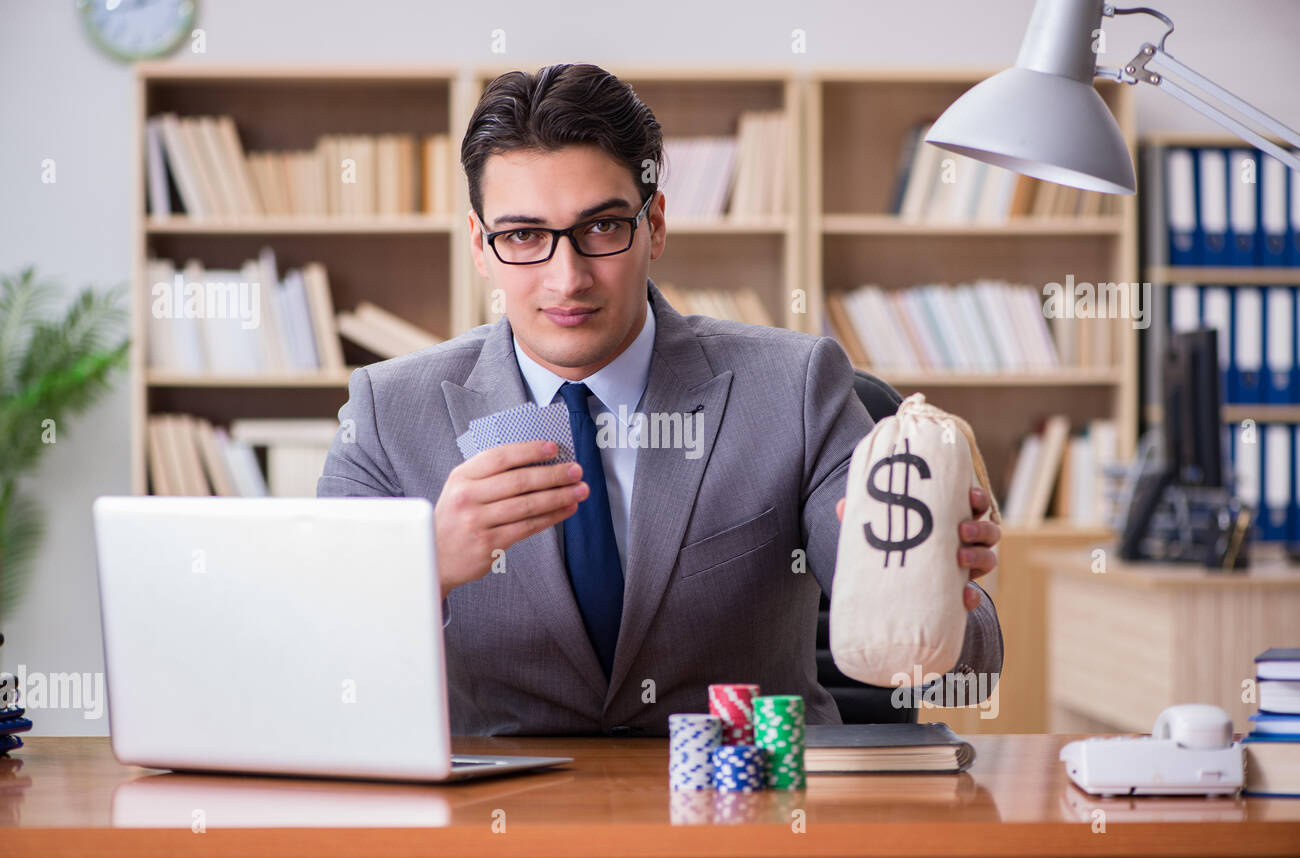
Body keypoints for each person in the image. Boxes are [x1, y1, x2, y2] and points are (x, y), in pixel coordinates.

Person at [317, 63, 1003, 736]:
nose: (568, 277)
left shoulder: (794, 387)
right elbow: (316, 668)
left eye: (602, 227)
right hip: (493, 828)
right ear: (480, 246)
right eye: (524, 235)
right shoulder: (386, 414)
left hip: (746, 823)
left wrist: (931, 577)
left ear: (656, 225)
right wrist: (422, 569)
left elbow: (961, 666)